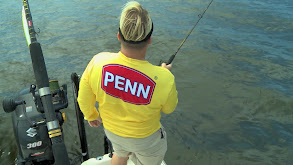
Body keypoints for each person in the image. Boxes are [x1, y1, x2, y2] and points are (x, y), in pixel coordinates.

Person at [77, 1, 178, 165]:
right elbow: (169, 108)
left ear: (118, 35)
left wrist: (91, 115)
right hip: (147, 140)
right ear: (150, 39)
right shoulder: (164, 79)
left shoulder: (98, 62)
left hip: (113, 132)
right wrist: (163, 74)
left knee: (120, 153)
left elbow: (83, 97)